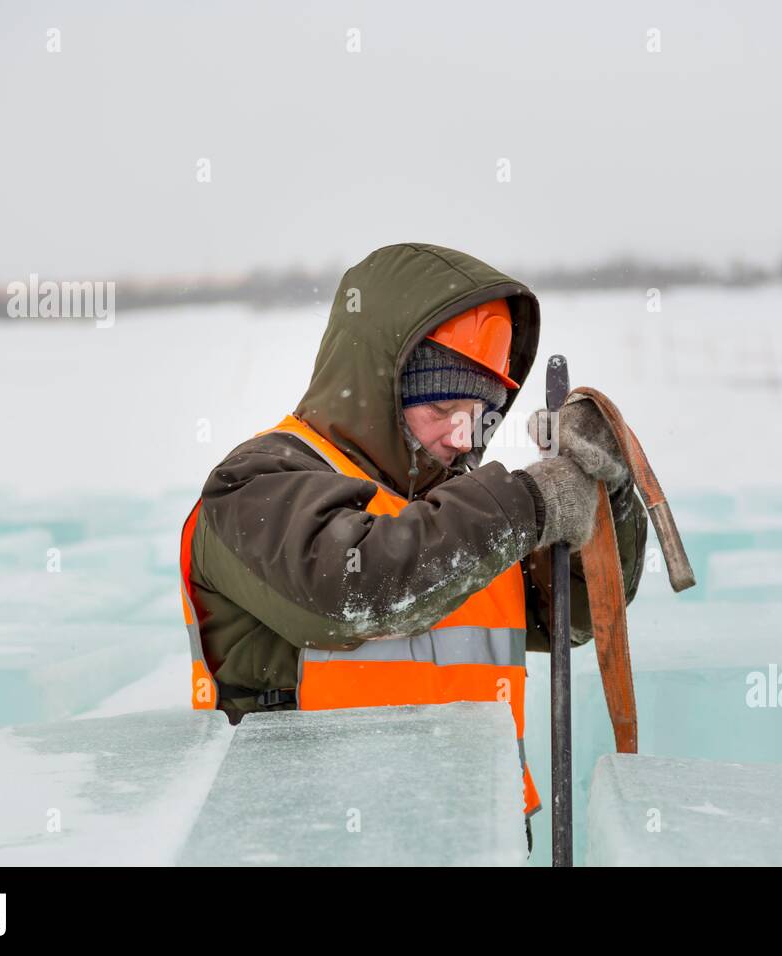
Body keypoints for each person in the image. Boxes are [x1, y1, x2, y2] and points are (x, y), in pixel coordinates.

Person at [179, 242, 648, 858]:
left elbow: (576, 615)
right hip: (310, 846)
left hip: (472, 840)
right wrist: (527, 503)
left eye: (480, 413)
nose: (463, 434)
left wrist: (603, 493)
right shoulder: (254, 485)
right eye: (442, 406)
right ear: (377, 386)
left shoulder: (467, 510)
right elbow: (353, 591)